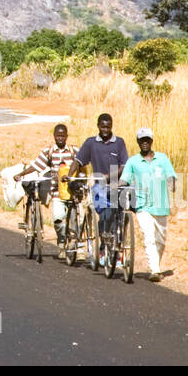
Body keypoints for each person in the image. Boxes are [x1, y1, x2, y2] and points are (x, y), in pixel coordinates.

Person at [67, 113, 129, 267]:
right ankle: (103, 248)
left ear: (112, 126)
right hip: (99, 187)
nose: (105, 129)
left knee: (120, 218)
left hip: (117, 185)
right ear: (98, 126)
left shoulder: (119, 143)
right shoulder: (91, 143)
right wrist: (69, 176)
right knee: (105, 217)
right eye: (103, 126)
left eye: (108, 127)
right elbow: (78, 160)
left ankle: (118, 252)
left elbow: (124, 165)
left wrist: (109, 177)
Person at [120, 126, 178, 282]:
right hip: (142, 205)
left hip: (161, 205)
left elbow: (171, 174)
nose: (144, 143)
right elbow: (125, 178)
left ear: (151, 141)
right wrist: (119, 185)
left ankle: (156, 265)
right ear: (138, 142)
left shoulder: (162, 159)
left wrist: (172, 183)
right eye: (141, 140)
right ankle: (155, 270)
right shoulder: (133, 161)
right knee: (149, 236)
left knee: (161, 240)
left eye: (147, 140)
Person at [15, 122, 75, 257]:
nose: (60, 138)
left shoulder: (73, 151)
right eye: (58, 136)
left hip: (72, 193)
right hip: (56, 192)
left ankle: (75, 245)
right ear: (54, 136)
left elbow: (81, 164)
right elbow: (37, 166)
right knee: (58, 219)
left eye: (63, 136)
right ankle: (61, 241)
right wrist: (21, 174)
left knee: (77, 220)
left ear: (67, 136)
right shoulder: (49, 152)